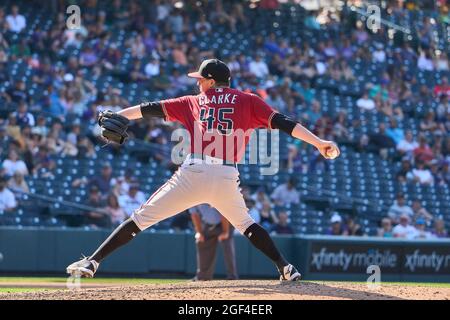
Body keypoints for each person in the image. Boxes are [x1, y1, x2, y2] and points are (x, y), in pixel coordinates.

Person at [67, 58, 340, 281]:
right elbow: (285, 123)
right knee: (246, 224)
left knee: (140, 219)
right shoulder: (248, 100)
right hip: (225, 175)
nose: (198, 83)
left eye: (200, 79)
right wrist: (318, 142)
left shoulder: (194, 102)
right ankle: (285, 267)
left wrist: (119, 114)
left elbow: (149, 109)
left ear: (211, 80)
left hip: (194, 172)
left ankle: (93, 261)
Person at [190, 204, 238, 281]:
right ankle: (203, 276)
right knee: (201, 242)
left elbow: (224, 211)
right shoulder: (191, 197)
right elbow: (194, 215)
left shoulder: (212, 192)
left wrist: (225, 231)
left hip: (226, 222)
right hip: (208, 224)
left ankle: (232, 277)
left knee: (227, 246)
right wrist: (199, 232)